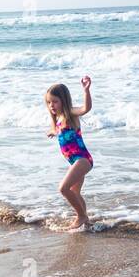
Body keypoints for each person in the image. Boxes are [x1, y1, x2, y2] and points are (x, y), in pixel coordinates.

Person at [45, 76, 94, 232]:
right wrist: (53, 132)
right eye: (49, 102)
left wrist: (86, 91)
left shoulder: (70, 114)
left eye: (55, 101)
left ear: (64, 101)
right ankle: (86, 221)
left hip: (82, 160)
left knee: (63, 189)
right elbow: (60, 131)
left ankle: (81, 216)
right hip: (75, 161)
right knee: (75, 192)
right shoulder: (58, 120)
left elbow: (85, 109)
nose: (52, 105)